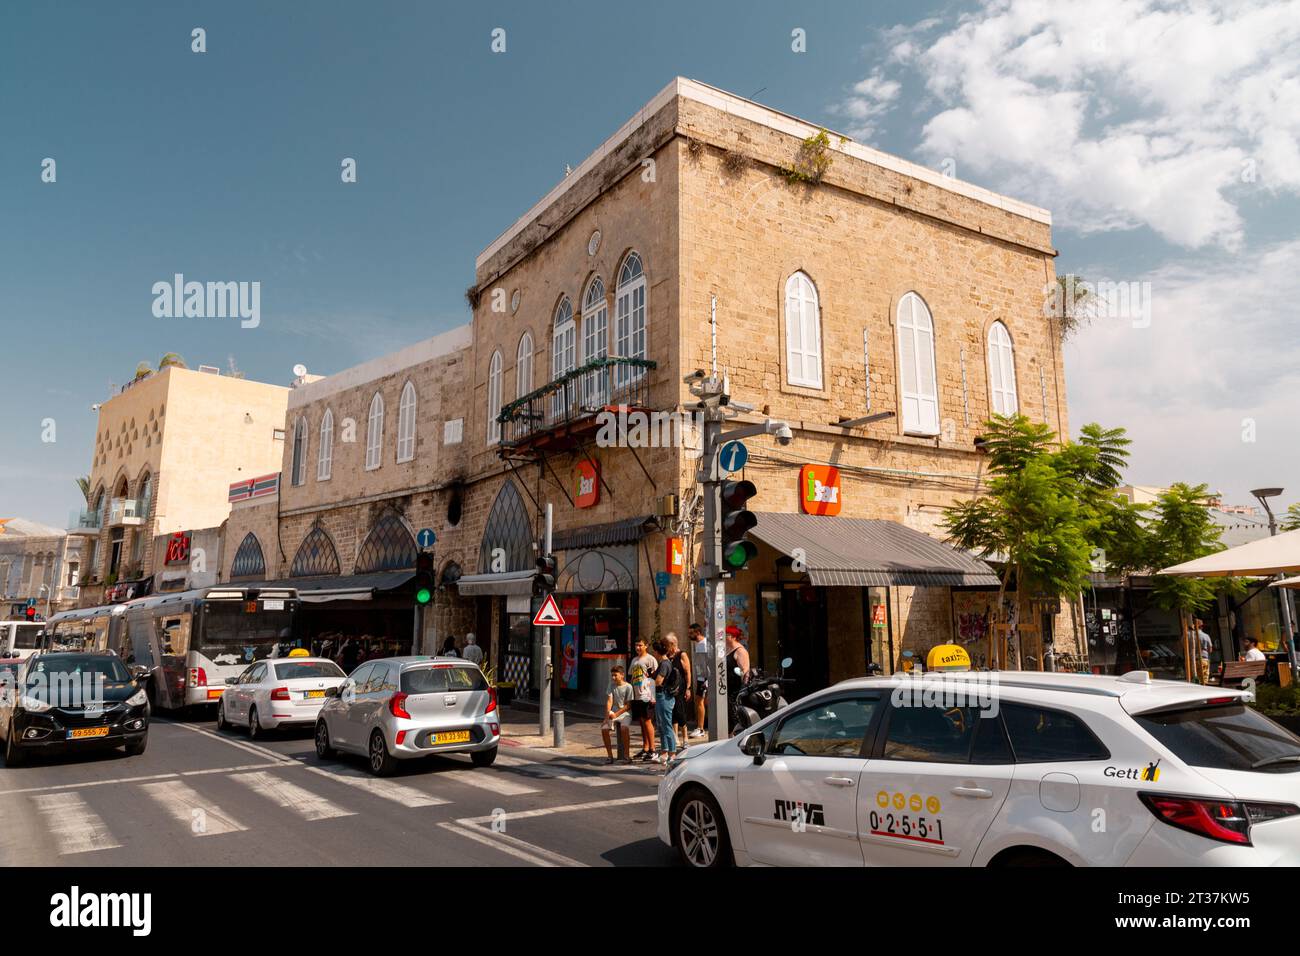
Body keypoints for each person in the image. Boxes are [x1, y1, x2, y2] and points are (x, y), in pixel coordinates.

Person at [650, 638, 681, 764]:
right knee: (662, 725)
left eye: (654, 651)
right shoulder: (665, 663)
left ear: (657, 652)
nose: (654, 654)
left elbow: (659, 681)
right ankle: (664, 751)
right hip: (662, 696)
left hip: (664, 696)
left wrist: (650, 682)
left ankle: (672, 753)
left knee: (666, 725)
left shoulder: (664, 664)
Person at [628, 638, 658, 760]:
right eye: (636, 645)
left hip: (646, 695)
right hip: (636, 695)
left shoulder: (650, 659)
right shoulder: (634, 660)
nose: (638, 647)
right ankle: (645, 748)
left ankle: (653, 749)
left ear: (646, 646)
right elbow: (631, 677)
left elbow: (654, 678)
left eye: (640, 645)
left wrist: (652, 695)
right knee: (641, 722)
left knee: (647, 721)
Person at [601, 665, 634, 764]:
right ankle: (610, 756)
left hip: (625, 713)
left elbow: (628, 706)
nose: (613, 678)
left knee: (624, 728)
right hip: (613, 713)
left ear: (622, 675)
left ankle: (627, 756)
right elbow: (609, 701)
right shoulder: (611, 685)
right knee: (604, 729)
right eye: (612, 675)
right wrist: (607, 717)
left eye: (615, 675)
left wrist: (616, 714)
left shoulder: (628, 687)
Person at [666, 632, 691, 751]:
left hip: (680, 689)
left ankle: (685, 739)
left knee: (680, 712)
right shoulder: (667, 655)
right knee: (672, 713)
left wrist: (688, 688)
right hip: (669, 689)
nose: (665, 647)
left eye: (667, 644)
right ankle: (675, 737)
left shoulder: (682, 655)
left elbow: (687, 672)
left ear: (672, 644)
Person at [724, 625, 750, 733]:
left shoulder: (740, 651)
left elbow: (745, 671)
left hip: (736, 688)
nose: (725, 637)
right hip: (728, 688)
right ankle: (731, 735)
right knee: (729, 713)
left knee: (734, 712)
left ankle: (737, 734)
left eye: (727, 635)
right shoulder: (729, 650)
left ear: (733, 637)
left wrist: (742, 690)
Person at [689, 622, 708, 738]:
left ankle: (700, 728)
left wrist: (706, 680)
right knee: (702, 702)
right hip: (701, 677)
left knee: (699, 701)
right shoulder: (699, 644)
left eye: (691, 633)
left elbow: (707, 663)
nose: (689, 635)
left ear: (698, 632)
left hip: (704, 678)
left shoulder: (704, 644)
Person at [1194, 619, 1213, 684]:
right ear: (1201, 627)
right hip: (1204, 659)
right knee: (1204, 681)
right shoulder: (1205, 636)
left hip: (1193, 661)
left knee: (1195, 680)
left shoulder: (1188, 635)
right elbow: (1210, 650)